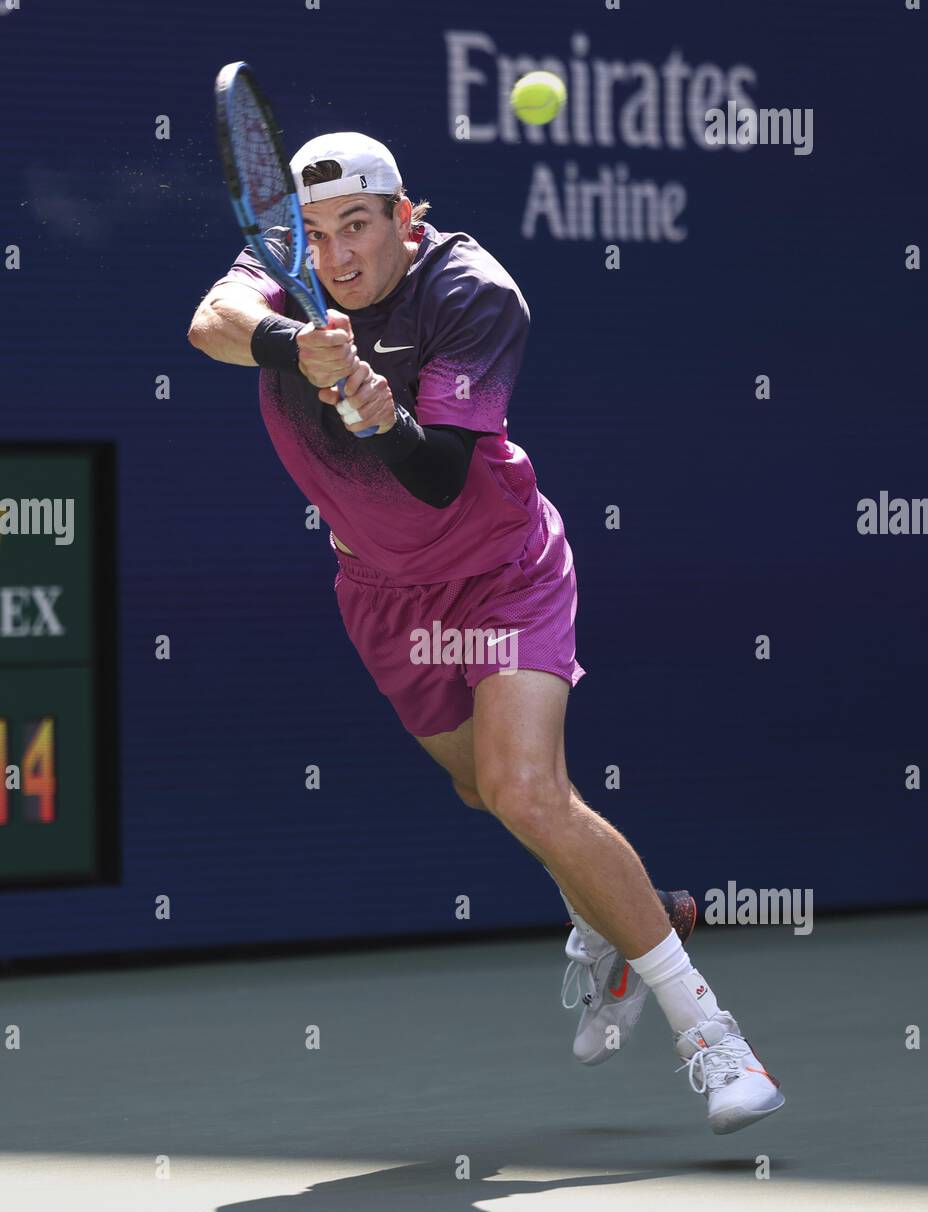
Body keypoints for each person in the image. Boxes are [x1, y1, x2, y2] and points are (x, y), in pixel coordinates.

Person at [188, 132, 784, 1134]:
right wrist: (297, 345)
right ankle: (612, 924)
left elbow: (436, 475)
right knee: (487, 793)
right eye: (318, 233)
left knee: (523, 787)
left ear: (404, 219)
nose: (335, 256)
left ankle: (710, 1033)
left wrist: (375, 411)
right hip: (380, 590)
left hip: (500, 571)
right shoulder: (286, 272)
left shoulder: (472, 291)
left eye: (359, 228)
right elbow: (211, 320)